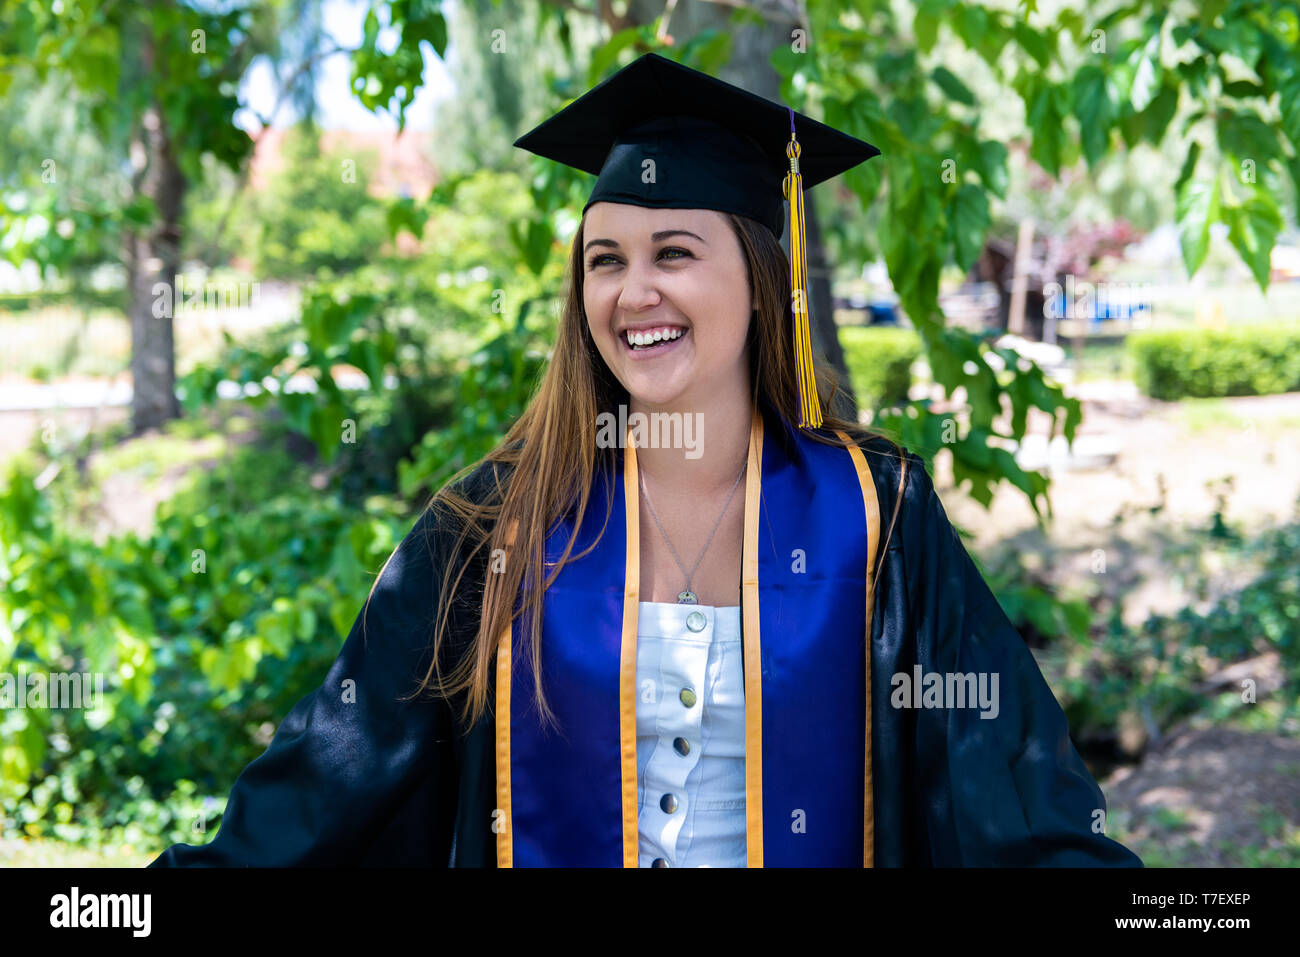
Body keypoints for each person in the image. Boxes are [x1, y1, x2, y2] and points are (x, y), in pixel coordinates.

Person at [150, 52, 1141, 868]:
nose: (634, 293)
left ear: (758, 279)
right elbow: (328, 789)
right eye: (606, 259)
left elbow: (1012, 796)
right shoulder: (494, 523)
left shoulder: (874, 515)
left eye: (674, 253)